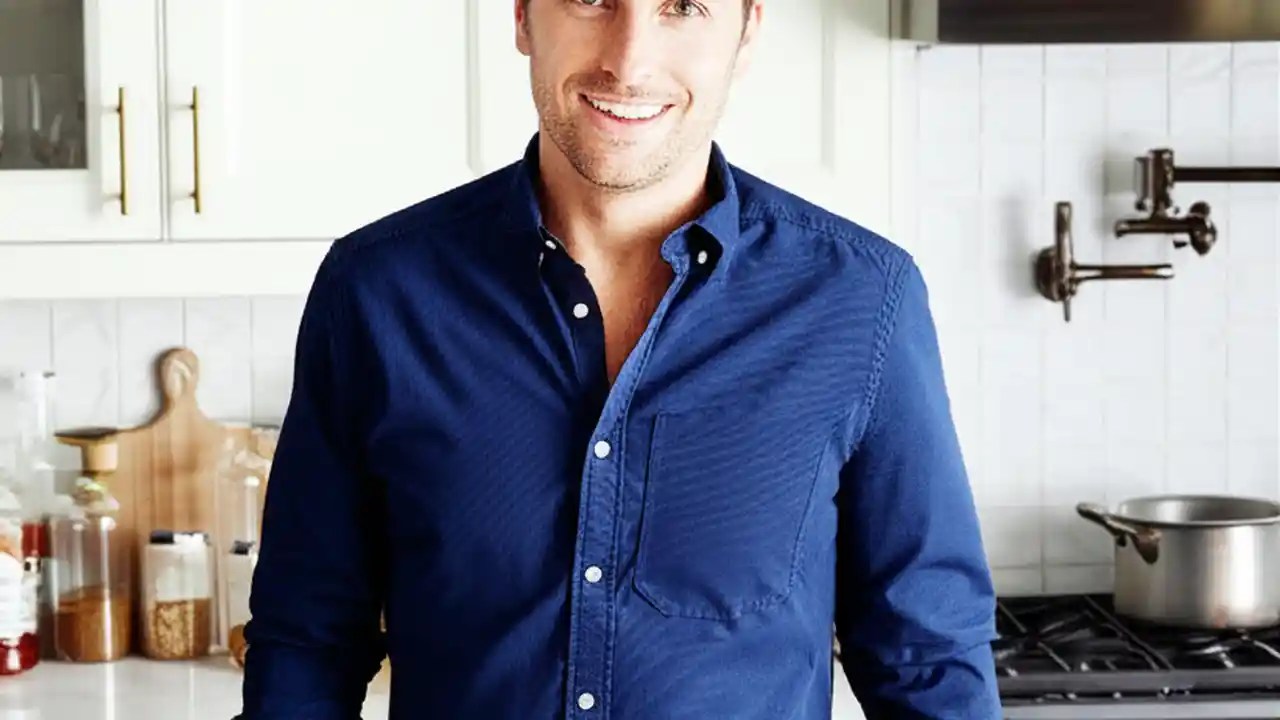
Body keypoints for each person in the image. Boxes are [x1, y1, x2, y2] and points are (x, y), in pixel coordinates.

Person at [239, 0, 1002, 718]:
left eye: (684, 6)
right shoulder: (376, 294)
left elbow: (926, 659)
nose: (629, 61)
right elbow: (307, 644)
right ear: (522, 16)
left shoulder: (862, 301)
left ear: (745, 32)